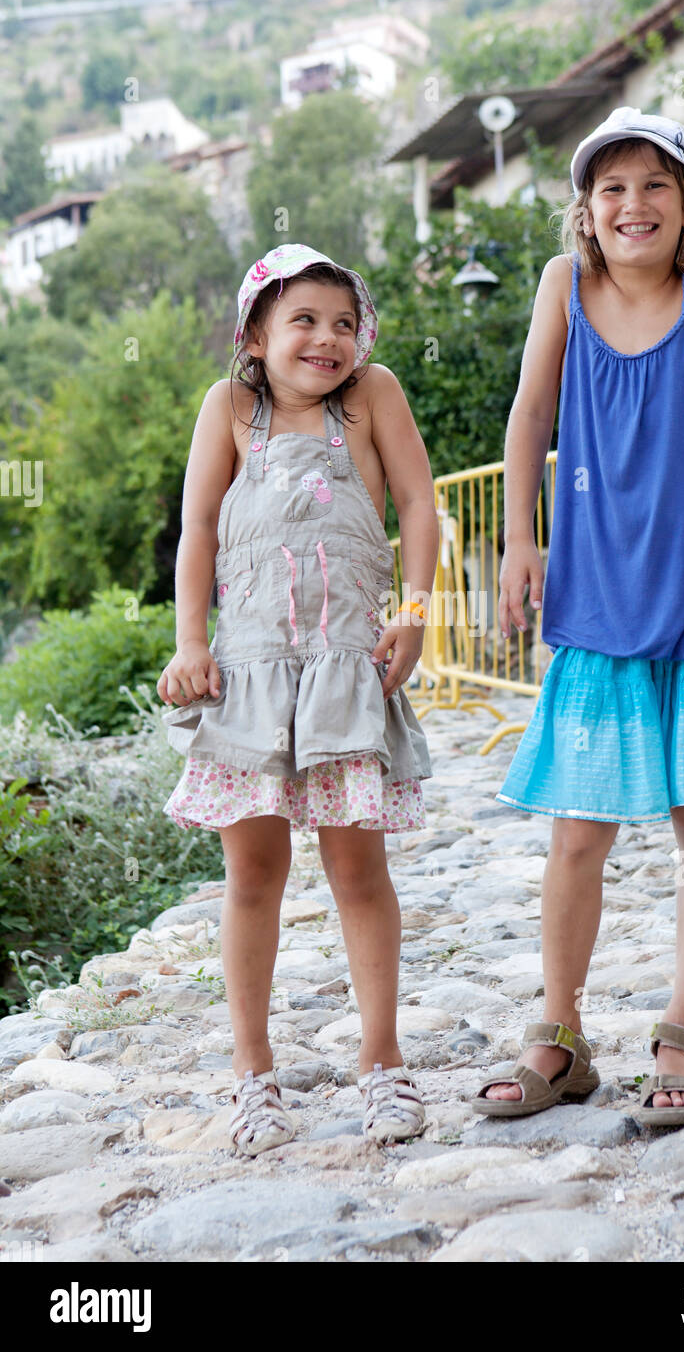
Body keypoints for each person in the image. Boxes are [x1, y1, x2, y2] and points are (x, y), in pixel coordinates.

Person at [472, 108, 684, 1127]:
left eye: (653, 186)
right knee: (578, 832)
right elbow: (529, 414)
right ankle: (559, 1030)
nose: (633, 205)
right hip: (598, 588)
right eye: (611, 189)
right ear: (584, 210)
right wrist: (518, 540)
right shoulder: (561, 290)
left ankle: (682, 1022)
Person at [157, 243, 439, 1153]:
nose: (328, 339)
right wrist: (190, 643)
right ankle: (253, 1077)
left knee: (358, 873)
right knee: (253, 876)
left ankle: (383, 1064)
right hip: (247, 676)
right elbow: (199, 527)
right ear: (257, 334)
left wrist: (419, 611)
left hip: (347, 672)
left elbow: (421, 503)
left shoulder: (372, 397)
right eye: (304, 321)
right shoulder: (231, 409)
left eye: (345, 323)